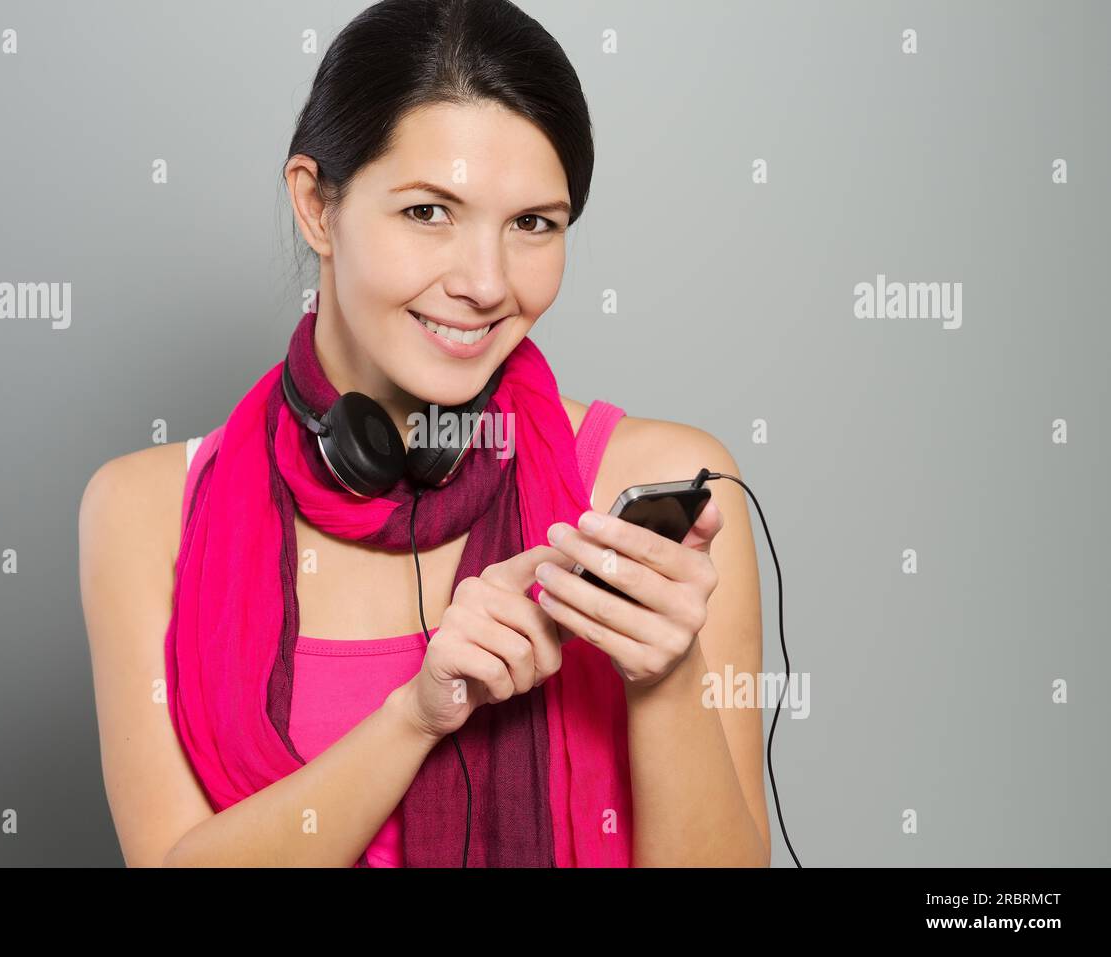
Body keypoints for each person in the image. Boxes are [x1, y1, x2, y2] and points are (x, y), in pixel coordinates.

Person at [79, 0, 768, 868]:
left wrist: (661, 672)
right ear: (316, 206)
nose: (485, 284)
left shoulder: (655, 485)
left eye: (533, 225)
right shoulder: (146, 511)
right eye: (429, 213)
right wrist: (416, 715)